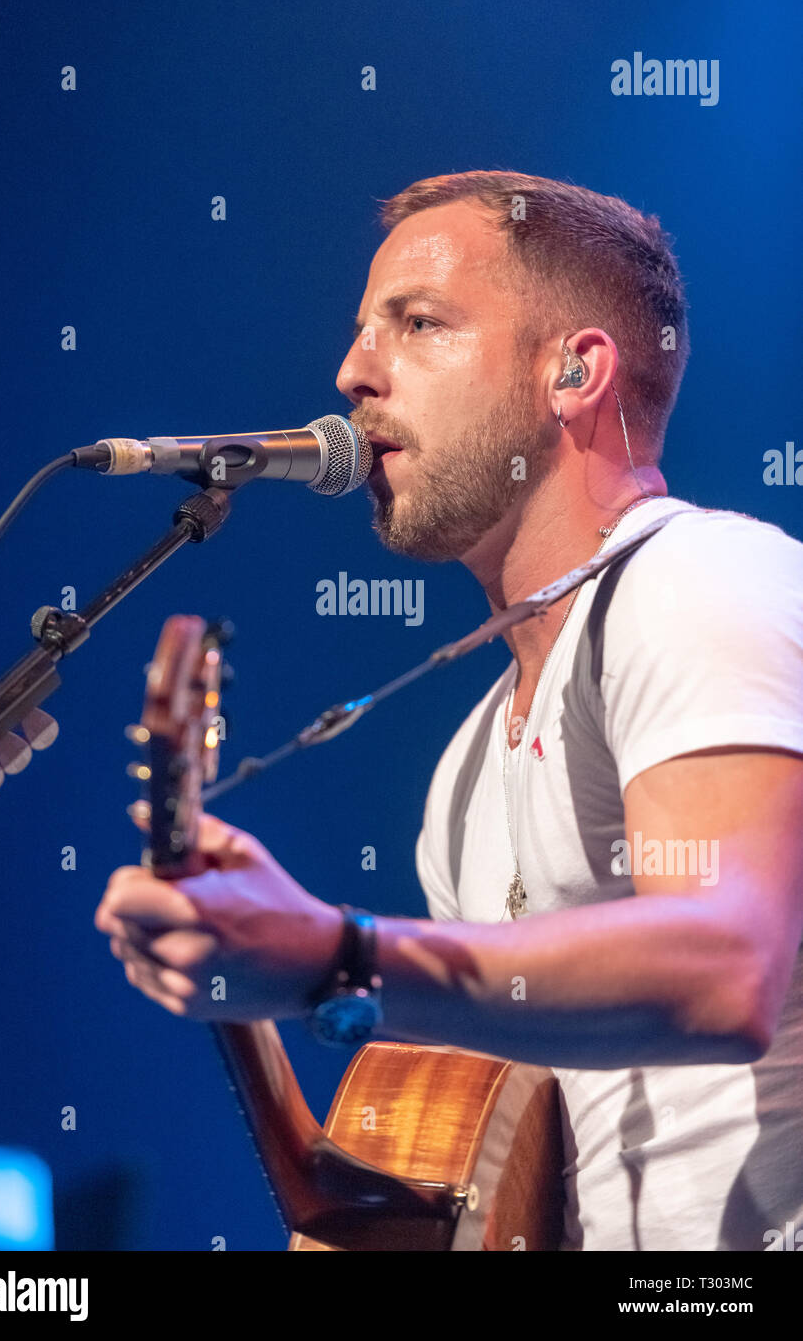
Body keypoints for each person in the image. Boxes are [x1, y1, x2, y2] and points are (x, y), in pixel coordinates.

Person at [95, 171, 803, 1251]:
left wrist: (333, 955)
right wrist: (246, 987)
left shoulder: (699, 577)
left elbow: (727, 970)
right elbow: (451, 1207)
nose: (350, 373)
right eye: (360, 331)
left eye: (416, 324)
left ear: (574, 371)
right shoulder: (462, 779)